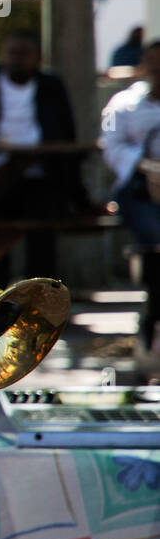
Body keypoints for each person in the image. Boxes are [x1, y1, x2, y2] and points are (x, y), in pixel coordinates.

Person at [0, 31, 89, 286]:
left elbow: (66, 133)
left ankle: (42, 299)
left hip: (42, 176)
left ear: (37, 58)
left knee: (42, 237)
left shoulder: (51, 86)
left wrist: (75, 188)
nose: (16, 60)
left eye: (23, 55)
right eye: (11, 54)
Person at [102, 40, 160, 363]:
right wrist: (143, 164)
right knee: (154, 242)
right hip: (139, 189)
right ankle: (151, 326)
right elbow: (111, 146)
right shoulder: (123, 104)